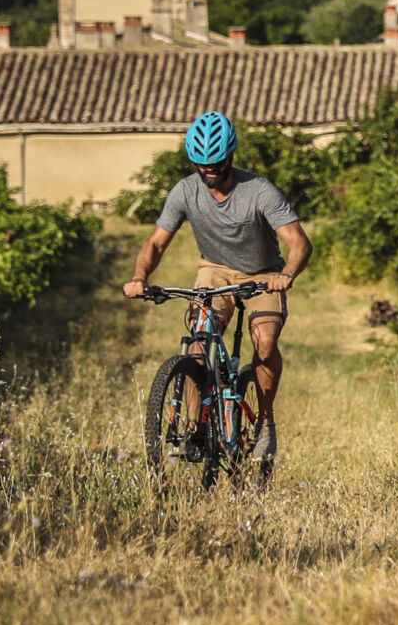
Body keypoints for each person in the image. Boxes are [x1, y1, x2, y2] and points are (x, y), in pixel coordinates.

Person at [122, 111, 311, 473]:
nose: (209, 171)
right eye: (202, 165)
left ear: (231, 155)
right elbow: (156, 243)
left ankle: (265, 422)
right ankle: (198, 429)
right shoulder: (185, 191)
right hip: (215, 270)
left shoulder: (259, 191)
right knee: (198, 344)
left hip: (263, 273)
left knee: (265, 341)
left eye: (217, 164)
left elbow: (299, 242)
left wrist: (286, 273)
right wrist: (139, 277)